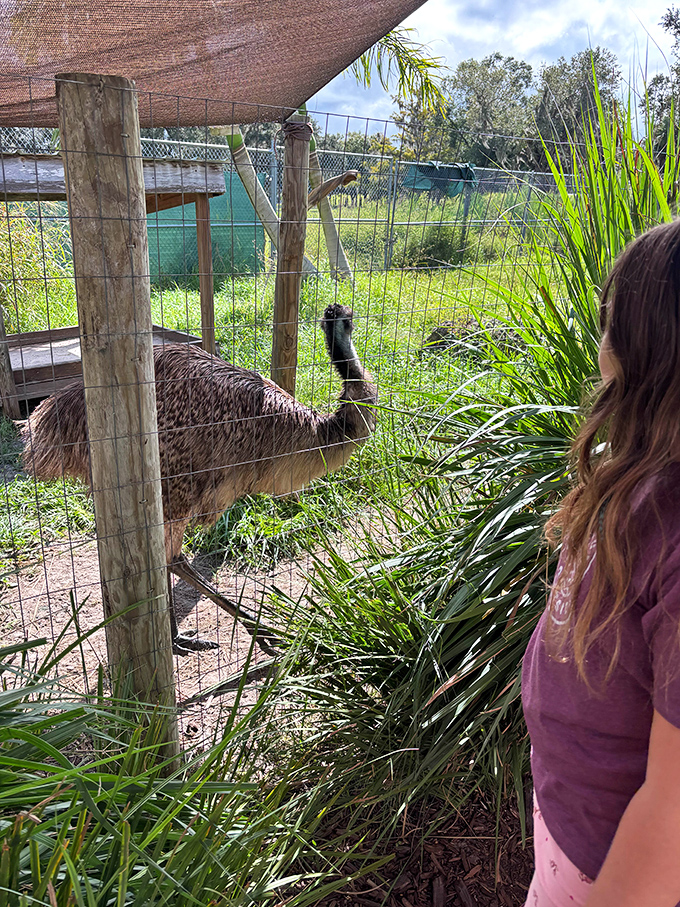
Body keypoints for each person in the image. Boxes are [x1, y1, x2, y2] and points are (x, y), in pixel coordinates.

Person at [522, 219, 680, 907]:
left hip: (618, 872)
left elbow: (672, 817)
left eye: (612, 319)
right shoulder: (637, 475)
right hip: (573, 831)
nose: (602, 338)